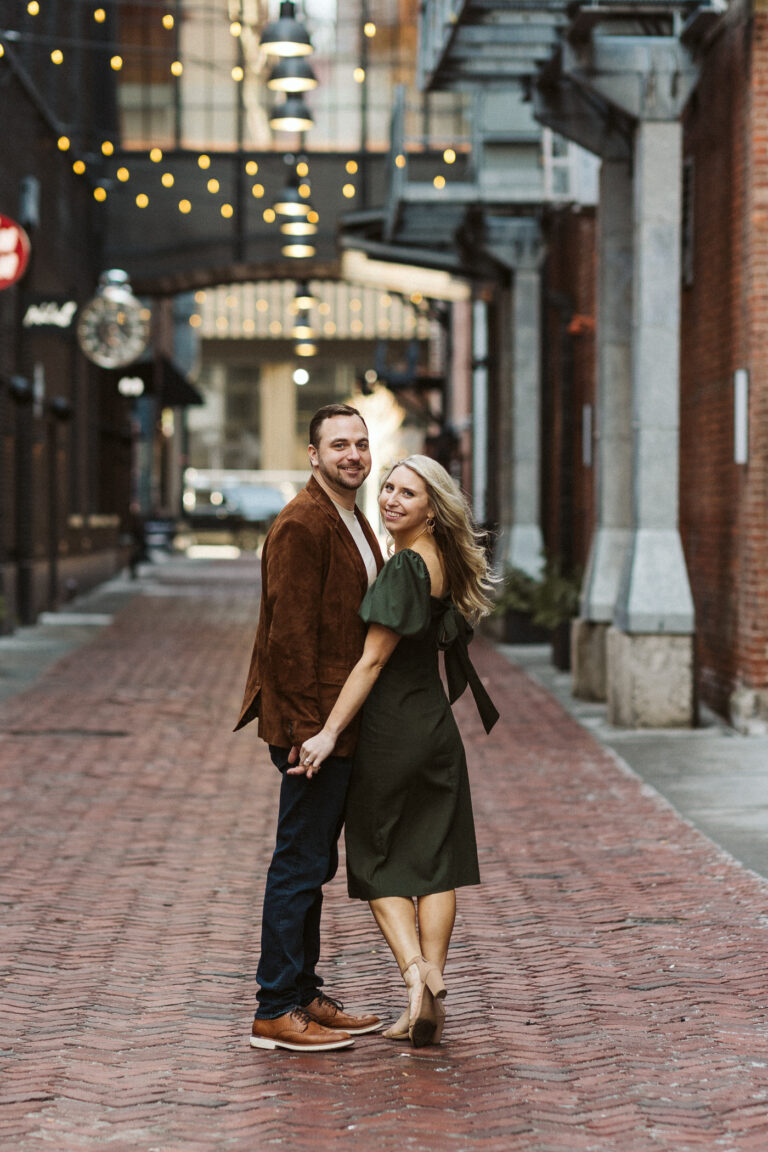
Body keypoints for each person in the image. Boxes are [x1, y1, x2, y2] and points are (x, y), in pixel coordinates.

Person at [293, 454, 499, 1047]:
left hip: (392, 730)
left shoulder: (406, 564)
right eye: (388, 488)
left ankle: (414, 975)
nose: (390, 499)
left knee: (376, 856)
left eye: (408, 493)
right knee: (434, 862)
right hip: (435, 728)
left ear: (432, 509)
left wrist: (329, 732)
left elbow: (373, 660)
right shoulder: (443, 560)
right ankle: (427, 996)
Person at [234, 403, 385, 1053]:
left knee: (313, 862)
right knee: (298, 863)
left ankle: (302, 992)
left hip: (336, 722)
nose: (353, 455)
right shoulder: (302, 522)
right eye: (339, 445)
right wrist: (304, 732)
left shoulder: (350, 516)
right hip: (313, 726)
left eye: (361, 444)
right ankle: (274, 1008)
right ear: (313, 454)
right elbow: (288, 637)